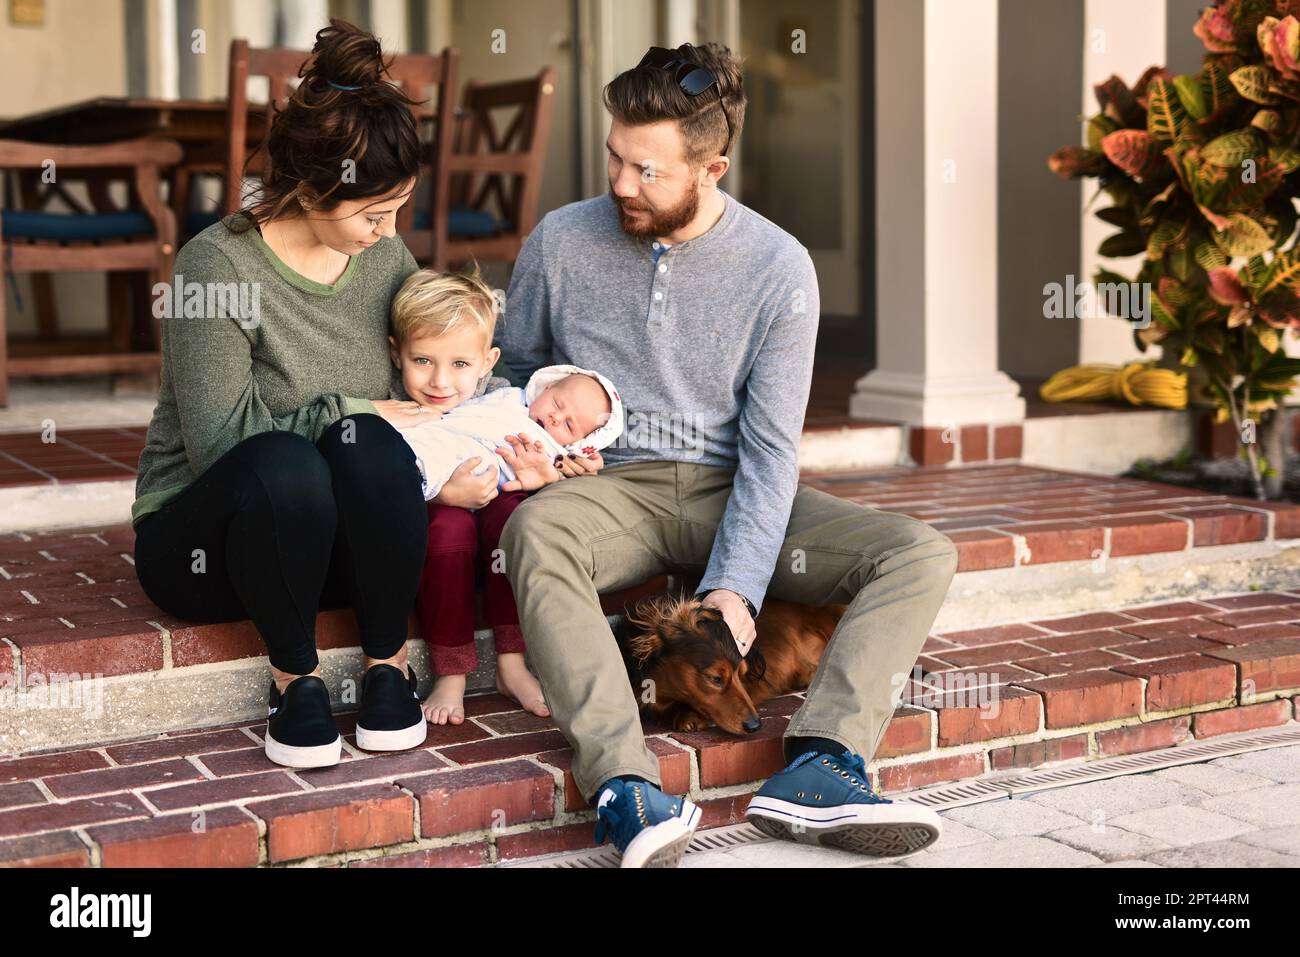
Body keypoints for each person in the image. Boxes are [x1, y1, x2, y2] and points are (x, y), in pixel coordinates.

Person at [498, 42, 960, 868]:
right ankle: (624, 787)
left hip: (732, 487)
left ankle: (822, 763)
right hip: (614, 487)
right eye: (615, 158)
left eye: (649, 171)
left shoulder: (780, 267)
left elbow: (773, 448)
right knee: (536, 534)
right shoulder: (560, 240)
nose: (620, 185)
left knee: (918, 552)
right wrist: (537, 443)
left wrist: (739, 586)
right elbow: (512, 370)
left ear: (713, 167)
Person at [131, 19, 492, 768]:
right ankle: (294, 683)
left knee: (371, 450)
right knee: (292, 461)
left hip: (325, 544)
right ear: (307, 187)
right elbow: (226, 447)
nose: (388, 231)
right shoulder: (217, 265)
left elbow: (425, 390)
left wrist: (475, 456)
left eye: (398, 210)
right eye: (370, 212)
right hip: (211, 544)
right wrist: (350, 411)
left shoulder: (382, 252)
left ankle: (387, 667)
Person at [384, 269, 622, 724]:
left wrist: (547, 477)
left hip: (495, 504)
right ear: (397, 354)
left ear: (488, 362)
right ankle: (451, 671)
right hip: (437, 510)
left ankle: (511, 662)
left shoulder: (504, 400)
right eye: (423, 361)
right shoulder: (392, 401)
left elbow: (548, 459)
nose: (440, 382)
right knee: (447, 530)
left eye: (459, 365)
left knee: (515, 520)